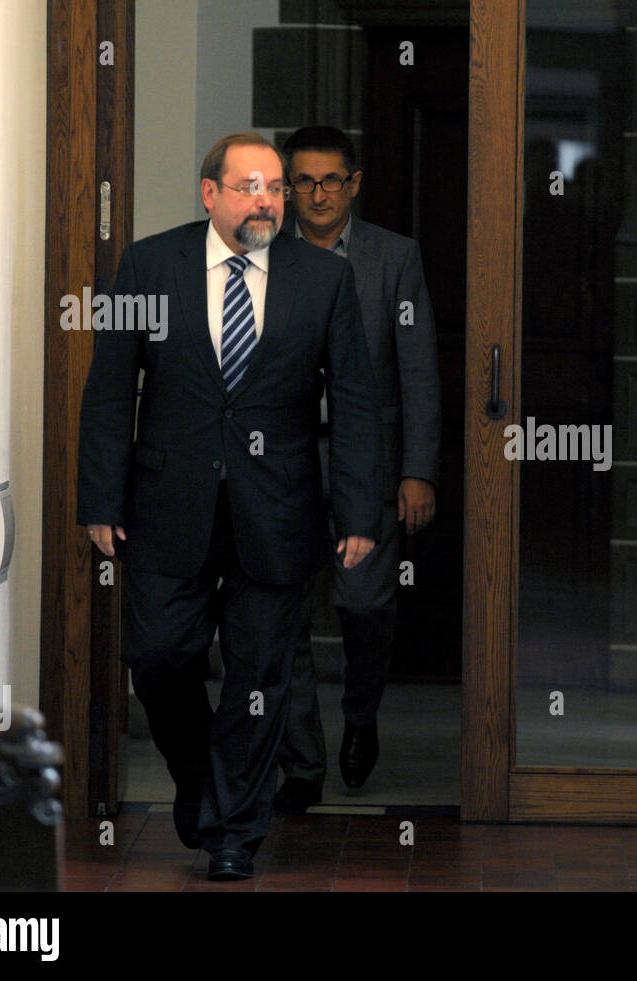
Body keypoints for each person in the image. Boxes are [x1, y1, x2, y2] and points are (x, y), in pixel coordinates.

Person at [76, 132, 382, 880]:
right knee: (156, 656)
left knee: (258, 678)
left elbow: (354, 401)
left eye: (275, 188)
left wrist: (360, 512)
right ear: (209, 193)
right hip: (166, 504)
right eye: (250, 186)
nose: (268, 201)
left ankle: (235, 833)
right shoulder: (149, 264)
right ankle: (202, 784)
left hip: (276, 511)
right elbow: (112, 389)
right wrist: (99, 499)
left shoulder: (322, 280)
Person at [273, 125, 441, 809]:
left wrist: (419, 469)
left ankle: (362, 713)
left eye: (330, 180)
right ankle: (303, 763)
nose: (317, 194)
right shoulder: (264, 251)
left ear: (354, 183)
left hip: (368, 462)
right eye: (303, 181)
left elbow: (419, 369)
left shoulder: (393, 258)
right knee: (281, 613)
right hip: (280, 461)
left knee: (365, 603)